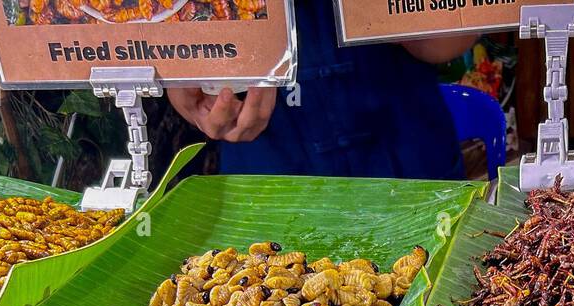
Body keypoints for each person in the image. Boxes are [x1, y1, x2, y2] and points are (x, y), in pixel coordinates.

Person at [167, 0, 477, 179]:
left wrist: (390, 15)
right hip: (271, 161)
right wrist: (181, 73)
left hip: (404, 148)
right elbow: (161, 37)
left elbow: (445, 42)